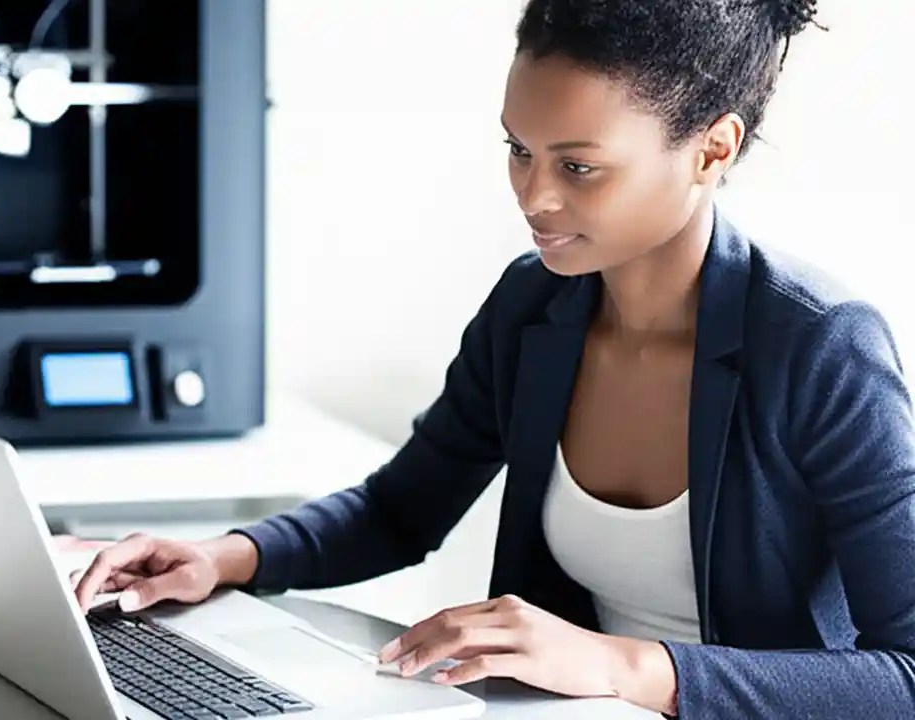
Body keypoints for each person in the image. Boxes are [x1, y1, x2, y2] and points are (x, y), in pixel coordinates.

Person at [71, 1, 915, 717]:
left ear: (712, 150)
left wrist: (624, 665)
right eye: (519, 149)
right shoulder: (535, 304)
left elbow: (906, 671)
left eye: (579, 167)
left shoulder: (823, 347)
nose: (533, 197)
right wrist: (226, 557)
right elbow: (401, 508)